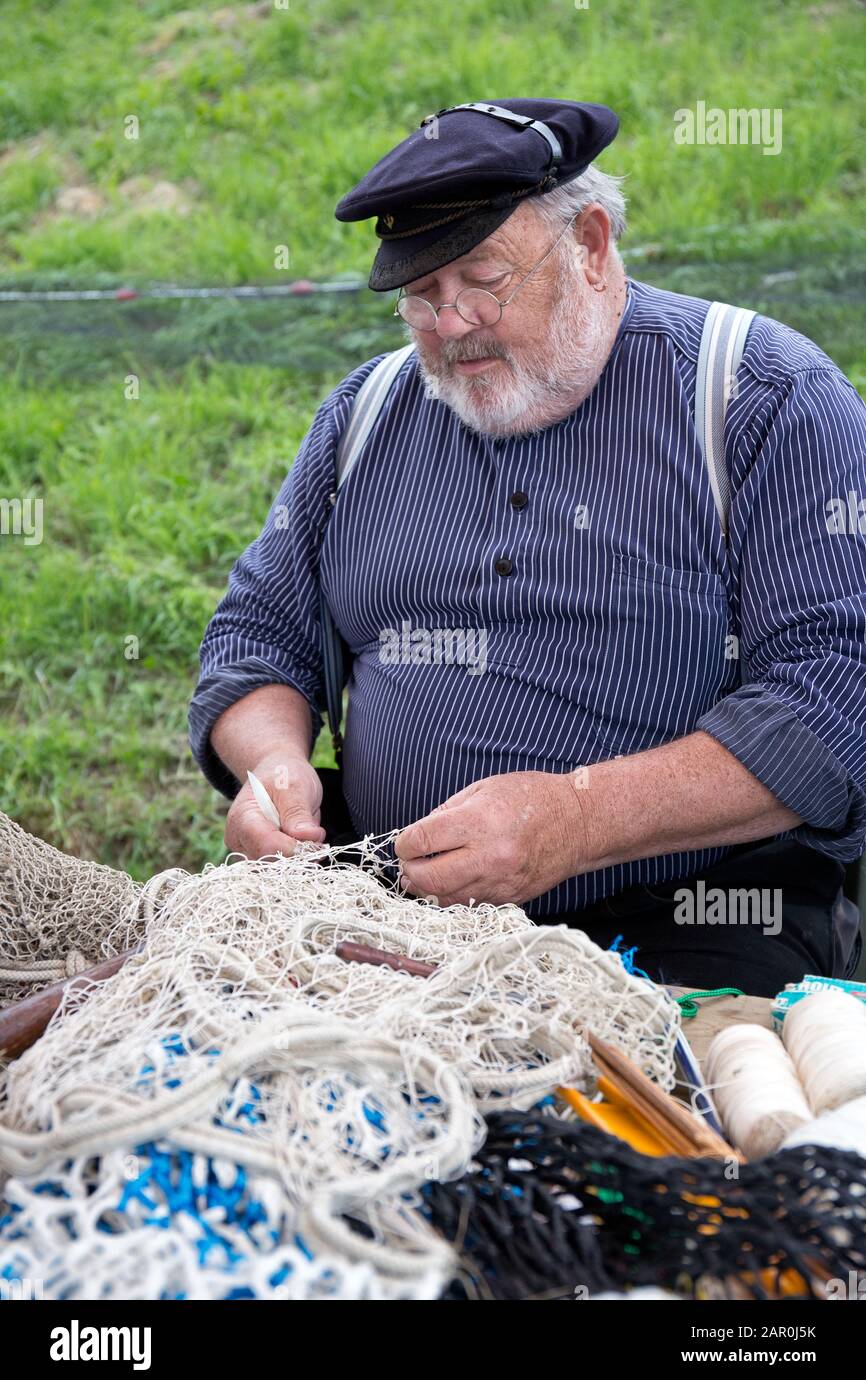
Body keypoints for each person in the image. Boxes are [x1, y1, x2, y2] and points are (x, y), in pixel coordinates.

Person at [189, 99, 866, 994]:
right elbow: (256, 639)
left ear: (588, 244)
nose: (452, 323)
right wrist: (272, 767)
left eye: (482, 278)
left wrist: (574, 819)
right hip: (388, 906)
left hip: (690, 920)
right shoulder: (365, 414)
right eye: (421, 296)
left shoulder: (761, 397)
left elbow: (830, 705)